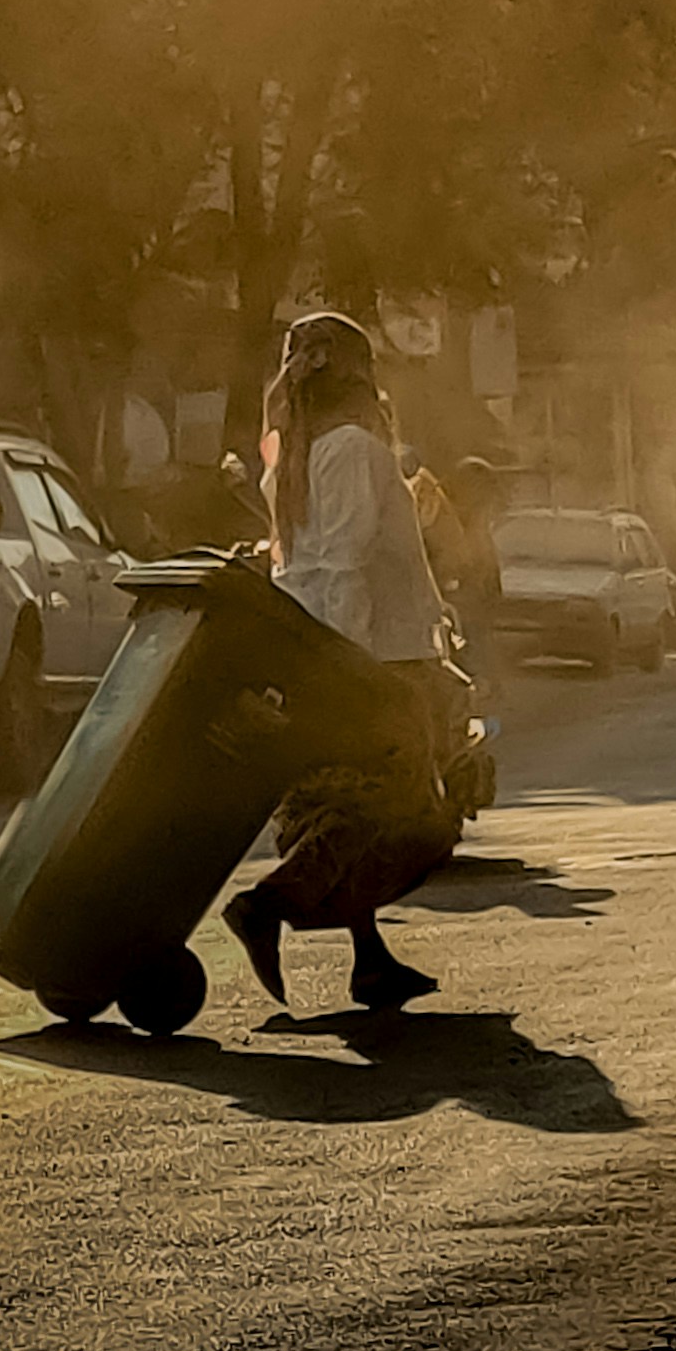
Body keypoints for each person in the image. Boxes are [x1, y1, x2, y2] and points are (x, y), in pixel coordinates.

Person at [223, 310, 471, 1014]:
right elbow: (346, 564)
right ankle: (267, 903)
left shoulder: (291, 457)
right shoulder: (356, 449)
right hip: (374, 658)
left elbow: (305, 568)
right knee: (410, 809)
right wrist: (350, 671)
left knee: (341, 802)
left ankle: (369, 961)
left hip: (325, 652)